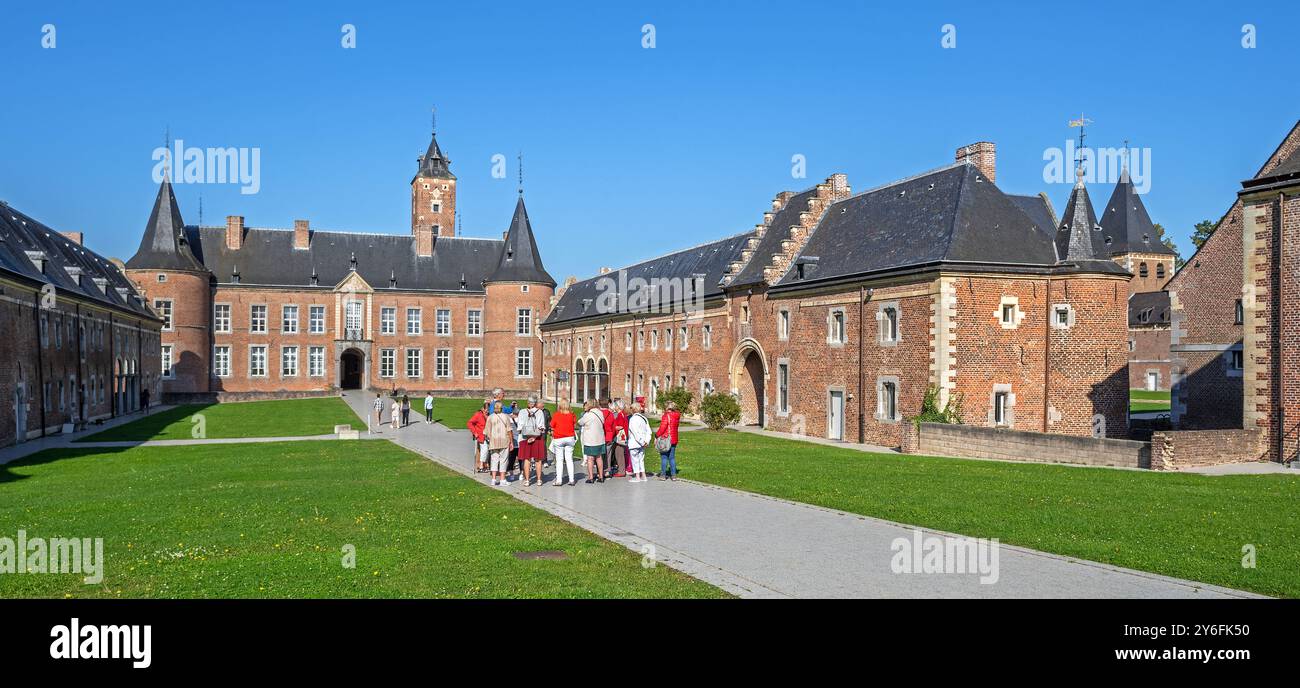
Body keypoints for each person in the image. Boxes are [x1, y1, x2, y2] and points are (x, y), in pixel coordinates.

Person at [518, 396, 547, 486]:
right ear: (535, 403)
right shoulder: (540, 412)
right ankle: (539, 480)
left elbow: (520, 426)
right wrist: (534, 437)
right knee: (538, 460)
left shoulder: (522, 412)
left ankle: (527, 480)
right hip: (537, 438)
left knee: (527, 459)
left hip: (525, 438)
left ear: (528, 402)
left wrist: (528, 437)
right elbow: (542, 427)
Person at [485, 401, 515, 486]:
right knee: (503, 460)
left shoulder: (490, 417)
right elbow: (509, 430)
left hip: (493, 441)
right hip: (504, 440)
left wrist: (490, 438)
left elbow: (487, 431)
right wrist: (511, 442)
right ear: (502, 408)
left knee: (494, 459)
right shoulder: (505, 417)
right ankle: (502, 480)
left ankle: (493, 479)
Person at [578, 399, 607, 483]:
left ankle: (591, 477)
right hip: (600, 439)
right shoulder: (600, 413)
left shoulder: (588, 414)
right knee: (599, 458)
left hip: (590, 440)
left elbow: (580, 422)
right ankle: (601, 476)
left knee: (590, 458)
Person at [550, 401, 577, 486]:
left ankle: (559, 480)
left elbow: (552, 425)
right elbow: (574, 424)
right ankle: (572, 479)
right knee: (569, 459)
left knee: (559, 460)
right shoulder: (572, 415)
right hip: (570, 438)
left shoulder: (556, 414)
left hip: (559, 438)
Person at [626, 402, 652, 483]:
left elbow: (635, 432)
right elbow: (649, 431)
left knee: (635, 460)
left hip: (635, 443)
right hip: (643, 442)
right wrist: (646, 441)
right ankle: (643, 475)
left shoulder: (633, 419)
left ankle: (637, 476)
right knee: (641, 459)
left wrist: (641, 441)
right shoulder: (644, 418)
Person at [656, 400, 681, 481]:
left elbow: (662, 428)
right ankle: (673, 476)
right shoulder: (677, 415)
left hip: (666, 439)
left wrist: (656, 435)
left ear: (667, 407)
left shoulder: (666, 416)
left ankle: (663, 475)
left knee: (664, 457)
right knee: (672, 458)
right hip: (674, 439)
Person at [467, 401, 489, 472]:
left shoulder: (490, 415)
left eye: (488, 410)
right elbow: (469, 423)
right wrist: (475, 432)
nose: (487, 411)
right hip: (481, 435)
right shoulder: (478, 414)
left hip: (489, 436)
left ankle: (485, 465)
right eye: (486, 410)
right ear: (483, 409)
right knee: (484, 449)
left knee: (487, 451)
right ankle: (481, 465)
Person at [611, 400, 630, 477]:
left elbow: (621, 426)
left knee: (619, 454)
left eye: (615, 405)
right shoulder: (622, 414)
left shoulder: (620, 415)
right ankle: (621, 469)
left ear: (618, 407)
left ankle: (621, 471)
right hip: (621, 437)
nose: (614, 407)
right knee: (619, 453)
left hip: (620, 437)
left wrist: (614, 427)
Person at [600, 398, 616, 477]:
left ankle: (601, 471)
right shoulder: (611, 414)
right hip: (609, 436)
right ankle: (607, 471)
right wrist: (612, 435)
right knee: (608, 455)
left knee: (599, 455)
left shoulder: (598, 414)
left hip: (600, 436)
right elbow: (614, 427)